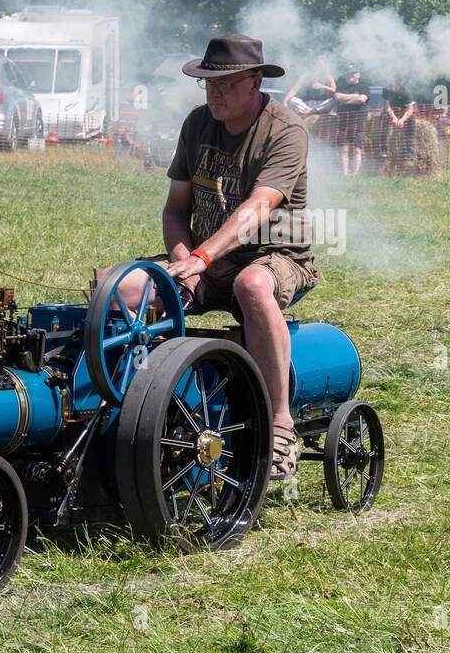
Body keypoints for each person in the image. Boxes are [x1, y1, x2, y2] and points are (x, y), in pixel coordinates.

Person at [99, 33, 317, 480]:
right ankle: (125, 405)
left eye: (224, 84)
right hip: (205, 259)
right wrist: (183, 261)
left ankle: (280, 424)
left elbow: (259, 208)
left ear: (255, 82)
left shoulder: (286, 130)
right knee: (116, 284)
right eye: (207, 84)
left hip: (276, 255)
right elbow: (175, 209)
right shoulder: (197, 124)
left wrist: (201, 256)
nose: (213, 93)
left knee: (252, 285)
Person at [333, 67, 369, 176]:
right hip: (343, 121)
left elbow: (361, 99)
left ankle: (355, 175)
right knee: (344, 149)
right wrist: (354, 96)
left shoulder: (364, 87)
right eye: (349, 74)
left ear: (358, 75)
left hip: (358, 121)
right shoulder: (342, 86)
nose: (351, 76)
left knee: (357, 150)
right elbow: (337, 97)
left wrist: (346, 100)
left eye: (353, 74)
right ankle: (345, 174)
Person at [383, 75, 415, 165]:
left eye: (398, 82)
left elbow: (410, 109)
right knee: (383, 120)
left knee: (411, 125)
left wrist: (402, 120)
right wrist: (394, 118)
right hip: (391, 111)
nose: (396, 84)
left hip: (403, 111)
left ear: (401, 83)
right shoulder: (386, 90)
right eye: (395, 81)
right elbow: (386, 105)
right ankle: (384, 150)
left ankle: (410, 154)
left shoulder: (406, 92)